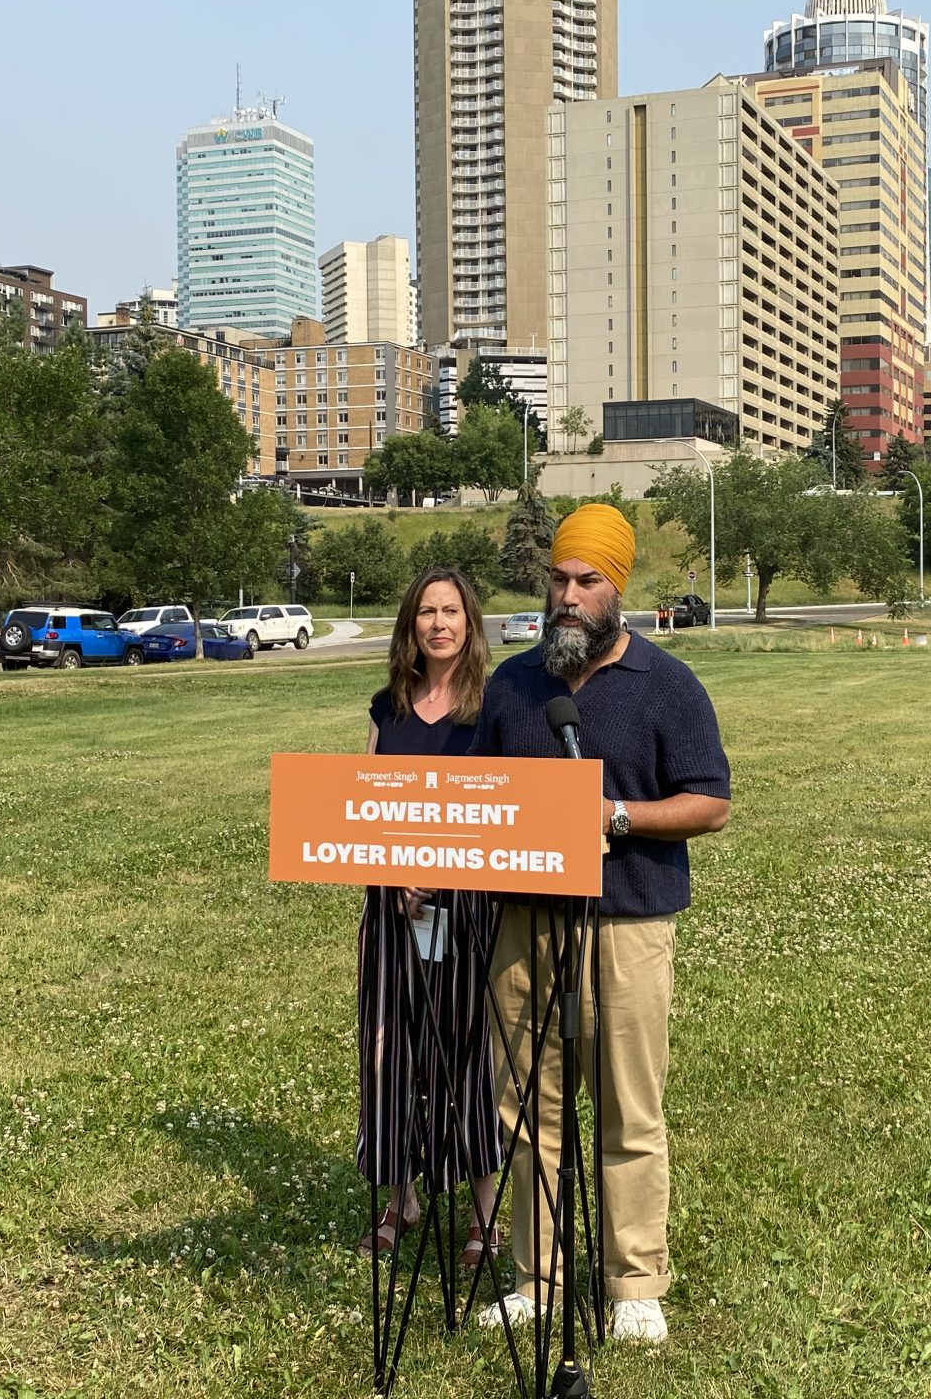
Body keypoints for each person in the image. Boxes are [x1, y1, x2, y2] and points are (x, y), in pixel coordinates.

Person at [473, 503, 731, 1346]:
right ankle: (535, 1280)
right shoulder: (513, 685)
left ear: (618, 589)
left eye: (587, 582)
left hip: (627, 927)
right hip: (523, 926)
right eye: (558, 580)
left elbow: (710, 802)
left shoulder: (669, 685)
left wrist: (614, 818)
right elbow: (481, 797)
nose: (568, 597)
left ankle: (633, 1285)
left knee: (630, 1112)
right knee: (525, 1110)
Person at [355, 566, 503, 1267]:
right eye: (425, 612)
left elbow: (505, 811)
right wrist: (396, 877)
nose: (438, 623)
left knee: (467, 1054)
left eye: (450, 611)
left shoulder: (493, 706)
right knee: (390, 1051)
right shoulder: (388, 706)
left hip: (468, 907)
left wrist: (446, 875)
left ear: (469, 622)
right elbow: (366, 807)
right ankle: (398, 1199)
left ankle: (483, 1214)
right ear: (409, 625)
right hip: (393, 908)